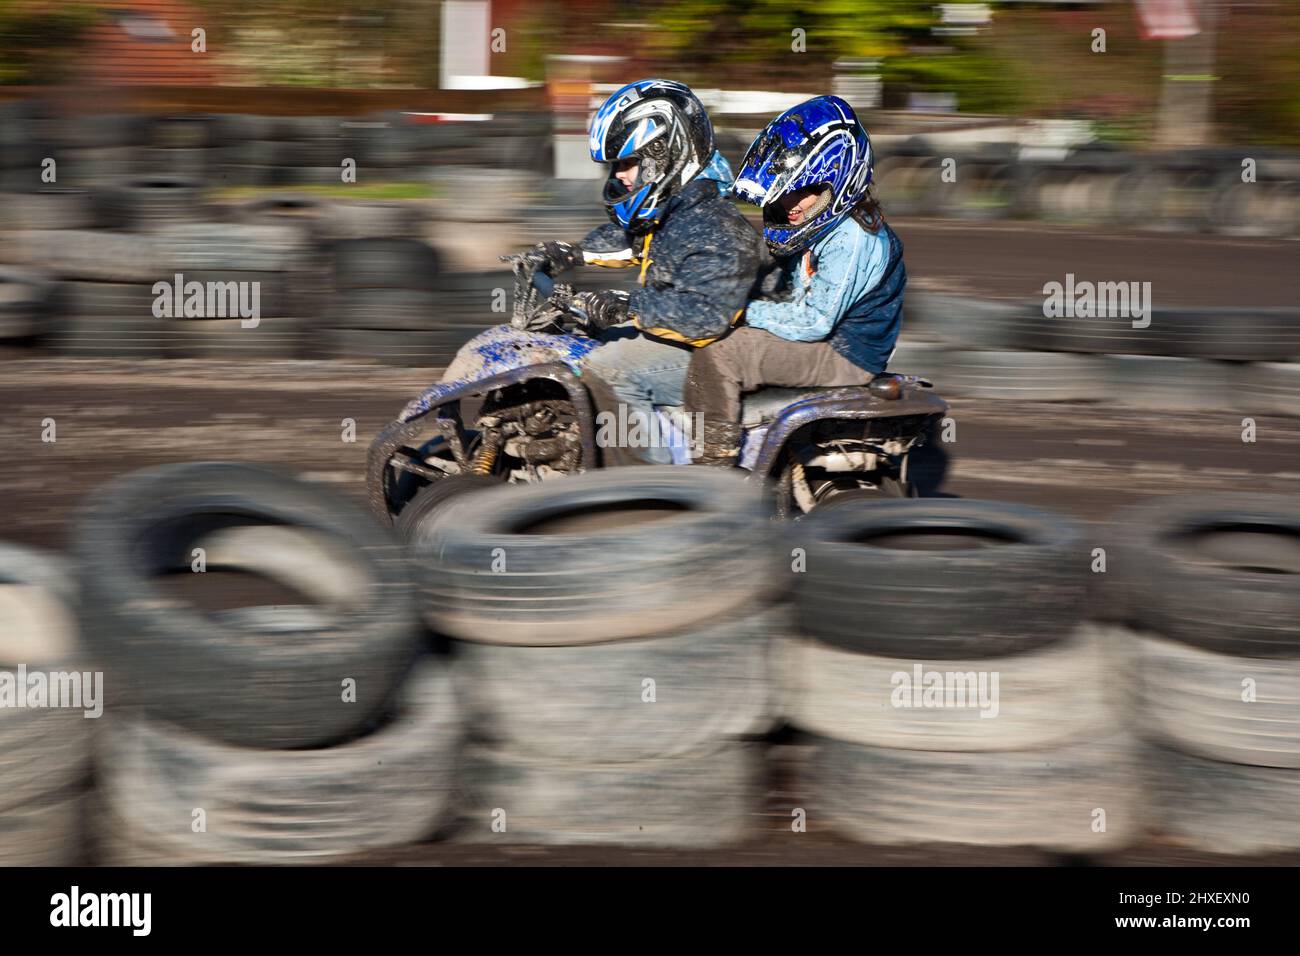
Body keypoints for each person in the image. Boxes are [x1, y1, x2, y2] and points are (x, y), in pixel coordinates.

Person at [519, 78, 765, 466]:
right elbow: (634, 240)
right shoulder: (678, 209)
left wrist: (629, 306)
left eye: (628, 163)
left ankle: (646, 491)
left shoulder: (716, 226)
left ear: (664, 154)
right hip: (697, 344)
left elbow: (706, 318)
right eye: (617, 165)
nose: (619, 175)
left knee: (610, 368)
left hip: (718, 355)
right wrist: (571, 253)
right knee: (584, 339)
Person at [682, 95, 907, 466]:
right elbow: (778, 284)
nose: (790, 206)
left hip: (845, 352)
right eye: (785, 195)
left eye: (800, 192)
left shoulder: (853, 238)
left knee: (720, 353)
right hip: (828, 336)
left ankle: (713, 469)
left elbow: (813, 322)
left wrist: (739, 311)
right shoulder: (813, 229)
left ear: (834, 183)